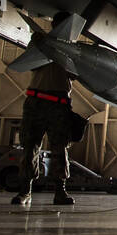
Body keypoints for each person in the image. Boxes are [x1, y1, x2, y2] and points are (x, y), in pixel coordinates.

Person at [12, 62, 76, 207]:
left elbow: (76, 74)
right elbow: (30, 63)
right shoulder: (39, 44)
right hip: (36, 100)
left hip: (59, 103)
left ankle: (60, 191)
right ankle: (25, 190)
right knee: (29, 146)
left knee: (60, 148)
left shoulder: (69, 53)